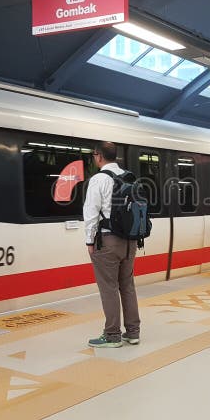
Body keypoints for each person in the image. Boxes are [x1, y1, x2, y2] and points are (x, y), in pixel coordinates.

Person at [83, 141, 140, 348]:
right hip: (130, 242)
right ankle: (133, 333)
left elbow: (91, 213)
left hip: (108, 241)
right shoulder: (129, 176)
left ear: (98, 156)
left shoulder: (98, 179)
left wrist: (90, 241)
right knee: (127, 286)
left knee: (109, 288)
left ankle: (112, 335)